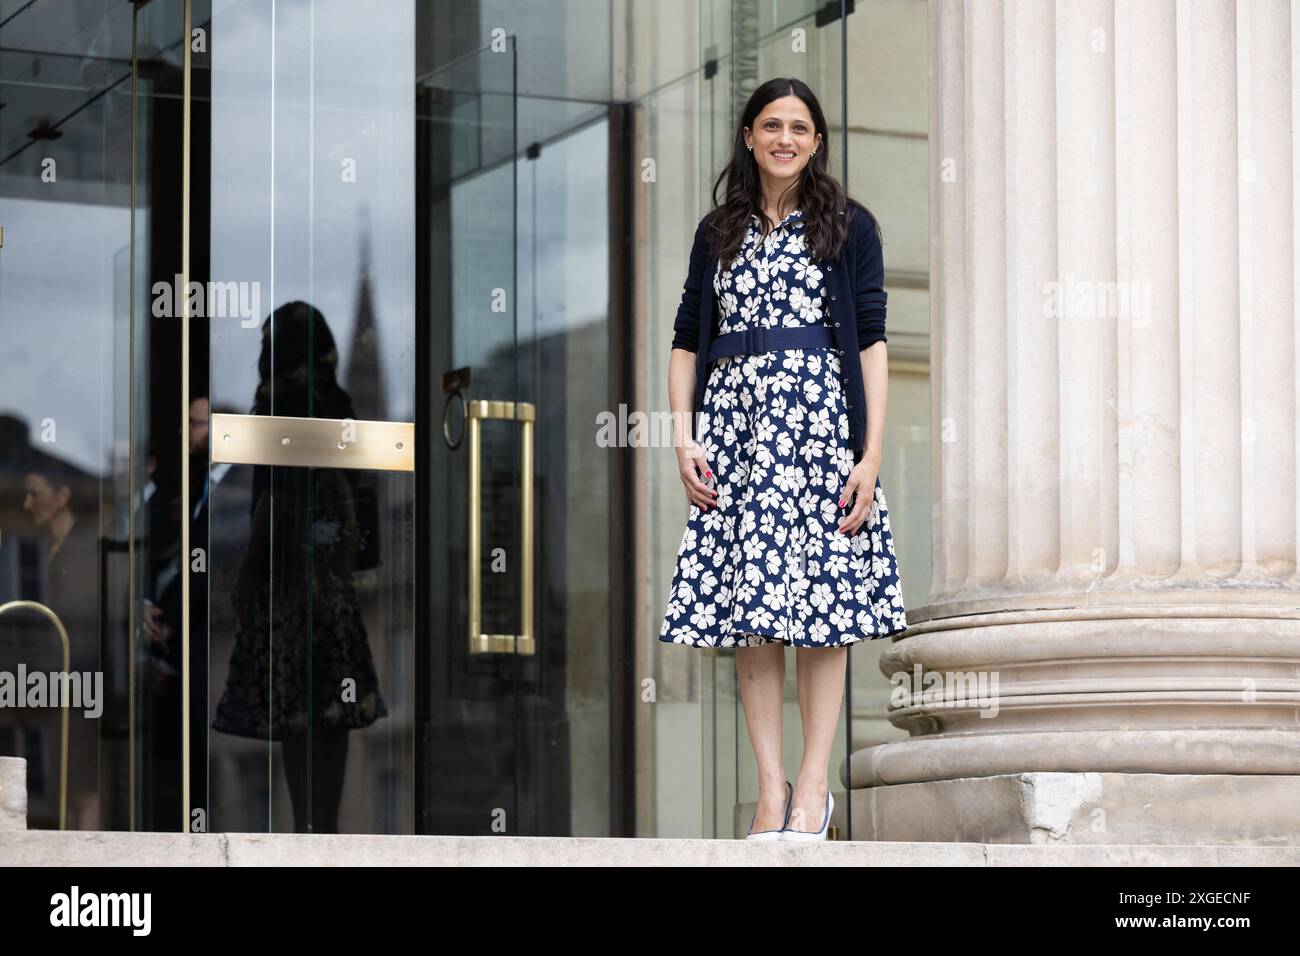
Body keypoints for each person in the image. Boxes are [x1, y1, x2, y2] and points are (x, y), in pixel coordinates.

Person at [658, 78, 908, 841]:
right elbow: (685, 341)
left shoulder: (850, 227)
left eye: (800, 126)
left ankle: (813, 786)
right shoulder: (717, 233)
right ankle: (770, 789)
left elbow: (870, 341)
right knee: (754, 615)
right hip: (737, 438)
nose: (785, 138)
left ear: (818, 141)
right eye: (771, 125)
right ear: (747, 135)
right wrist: (684, 433)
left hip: (821, 434)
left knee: (823, 618)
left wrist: (869, 455)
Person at [212, 301, 387, 833]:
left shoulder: (276, 400)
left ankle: (305, 826)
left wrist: (248, 570)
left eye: (269, 344)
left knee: (294, 704)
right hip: (331, 580)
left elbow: (271, 498)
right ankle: (324, 825)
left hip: (291, 578)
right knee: (331, 703)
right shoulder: (337, 399)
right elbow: (361, 492)